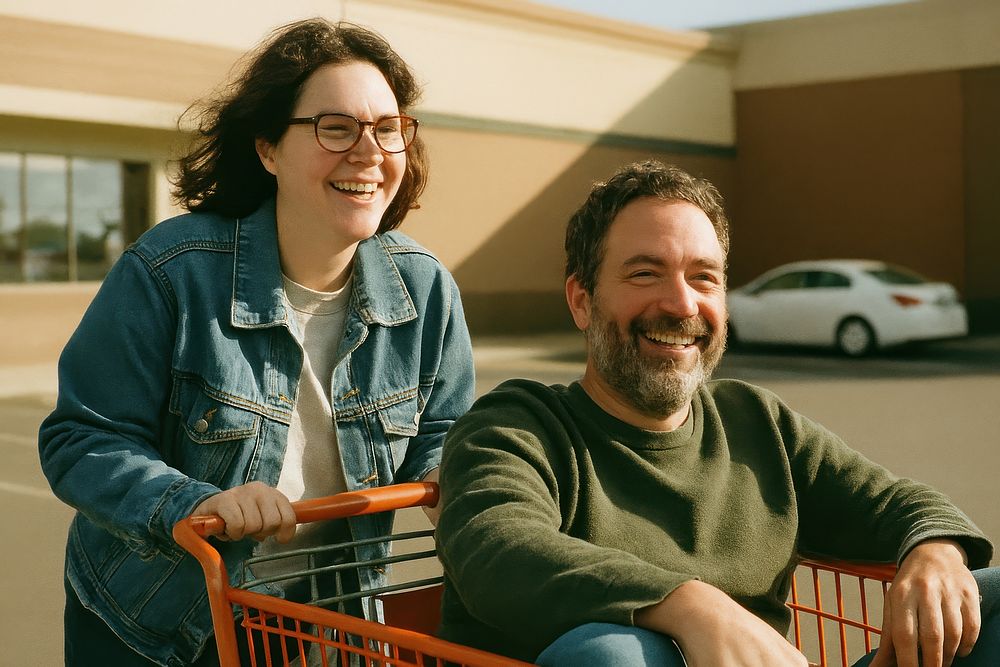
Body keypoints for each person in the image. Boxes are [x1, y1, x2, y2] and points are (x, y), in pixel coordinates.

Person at [434, 159, 999, 667]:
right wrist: (690, 605)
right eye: (644, 273)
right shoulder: (515, 426)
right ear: (582, 300)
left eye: (704, 277)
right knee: (614, 654)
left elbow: (897, 502)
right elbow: (497, 548)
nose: (682, 304)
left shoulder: (753, 420)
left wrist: (934, 552)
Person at [38, 18, 474, 667]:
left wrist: (461, 476)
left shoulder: (425, 289)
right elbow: (82, 441)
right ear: (268, 147)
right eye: (335, 127)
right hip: (154, 626)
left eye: (388, 128)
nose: (368, 152)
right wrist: (200, 502)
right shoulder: (171, 273)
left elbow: (441, 434)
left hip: (313, 623)